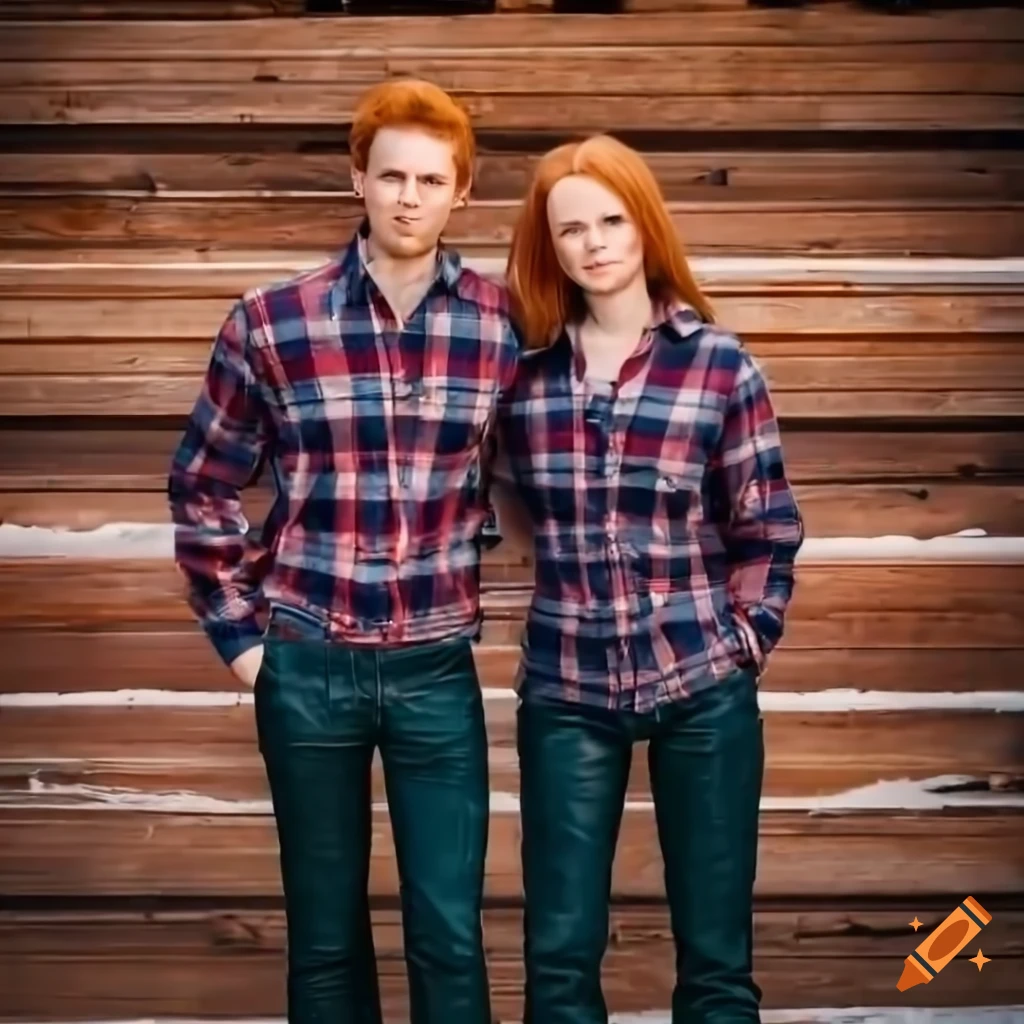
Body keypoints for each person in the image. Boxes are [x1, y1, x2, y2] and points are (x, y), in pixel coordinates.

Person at [168, 79, 519, 1024]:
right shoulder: (272, 321)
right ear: (358, 179)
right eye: (392, 175)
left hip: (435, 668)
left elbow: (536, 467)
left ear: (462, 192)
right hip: (306, 659)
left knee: (448, 933)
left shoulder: (501, 326)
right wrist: (243, 643)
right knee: (324, 939)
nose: (410, 196)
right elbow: (203, 480)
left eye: (432, 180)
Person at [493, 134, 805, 1023]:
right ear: (549, 246)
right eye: (570, 230)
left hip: (702, 686)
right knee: (559, 961)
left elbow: (766, 526)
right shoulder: (523, 376)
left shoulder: (719, 364)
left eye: (611, 220)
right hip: (567, 690)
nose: (593, 243)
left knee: (716, 965)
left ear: (645, 225)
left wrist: (744, 642)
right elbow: (497, 501)